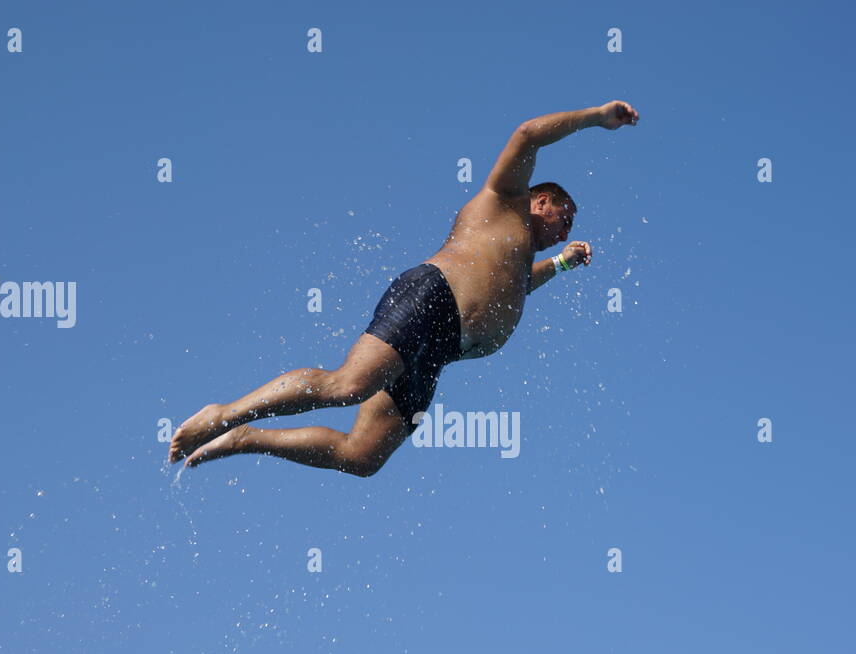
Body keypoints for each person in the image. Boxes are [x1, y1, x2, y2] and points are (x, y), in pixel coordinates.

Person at [169, 100, 640, 475]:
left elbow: (515, 290)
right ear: (542, 201)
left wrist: (560, 264)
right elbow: (527, 133)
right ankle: (224, 414)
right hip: (431, 299)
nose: (564, 230)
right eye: (564, 218)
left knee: (361, 457)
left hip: (437, 351)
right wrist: (598, 118)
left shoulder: (518, 265)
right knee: (349, 384)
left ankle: (247, 438)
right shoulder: (506, 201)